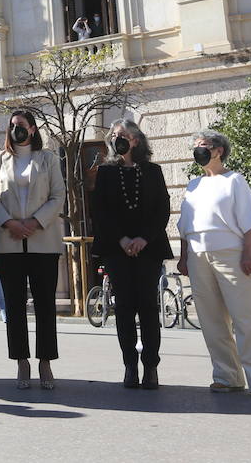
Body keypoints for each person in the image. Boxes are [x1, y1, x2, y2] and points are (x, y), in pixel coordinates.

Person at [177, 130, 251, 399]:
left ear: (219, 150)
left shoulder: (234, 180)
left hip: (230, 253)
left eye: (204, 145)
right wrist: (184, 257)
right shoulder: (193, 185)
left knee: (246, 318)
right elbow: (185, 227)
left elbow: (250, 223)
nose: (199, 149)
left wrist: (248, 254)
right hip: (197, 255)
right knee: (211, 320)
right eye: (196, 146)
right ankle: (226, 376)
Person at [0, 109, 65, 389]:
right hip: (9, 241)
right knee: (15, 306)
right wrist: (9, 223)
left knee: (45, 305)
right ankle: (21, 361)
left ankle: (45, 362)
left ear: (32, 129)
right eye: (11, 125)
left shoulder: (48, 158)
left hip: (43, 240)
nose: (15, 129)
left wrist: (34, 222)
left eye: (20, 125)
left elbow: (58, 196)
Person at [92, 119, 171, 389]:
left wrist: (143, 238)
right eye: (114, 135)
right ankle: (129, 365)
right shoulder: (105, 172)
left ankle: (151, 366)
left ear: (136, 139)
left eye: (123, 135)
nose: (118, 139)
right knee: (124, 308)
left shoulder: (153, 171)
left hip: (148, 248)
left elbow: (162, 210)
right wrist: (123, 239)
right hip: (117, 249)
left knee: (148, 308)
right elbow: (100, 212)